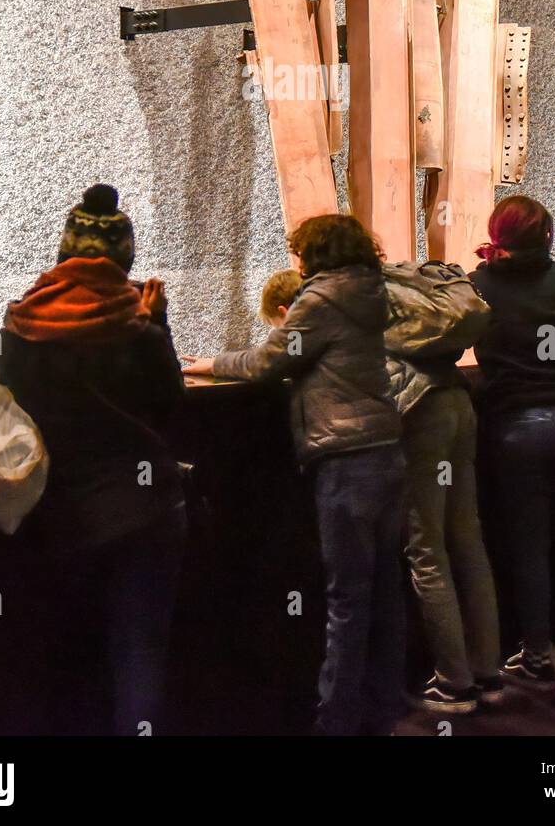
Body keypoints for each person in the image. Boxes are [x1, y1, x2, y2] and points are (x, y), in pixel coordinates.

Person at [184, 213, 405, 736]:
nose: (299, 264)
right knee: (386, 594)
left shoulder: (321, 300)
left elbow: (269, 361)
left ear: (316, 255)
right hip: (389, 451)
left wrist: (210, 364)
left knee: (346, 598)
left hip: (345, 456)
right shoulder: (373, 291)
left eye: (302, 254)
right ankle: (384, 712)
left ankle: (335, 722)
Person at [0, 183, 186, 734]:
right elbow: (170, 405)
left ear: (64, 252)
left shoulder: (24, 326)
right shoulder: (139, 323)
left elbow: (5, 394)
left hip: (64, 513)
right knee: (140, 652)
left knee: (70, 650)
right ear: (124, 255)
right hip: (149, 511)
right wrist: (160, 325)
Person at [470, 196, 555, 686]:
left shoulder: (477, 286)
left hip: (516, 425)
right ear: (546, 235)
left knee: (528, 543)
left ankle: (534, 654)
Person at [384, 264, 503, 715]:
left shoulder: (356, 289)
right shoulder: (408, 278)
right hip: (456, 402)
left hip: (419, 412)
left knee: (427, 550)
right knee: (468, 540)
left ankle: (454, 682)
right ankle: (488, 672)